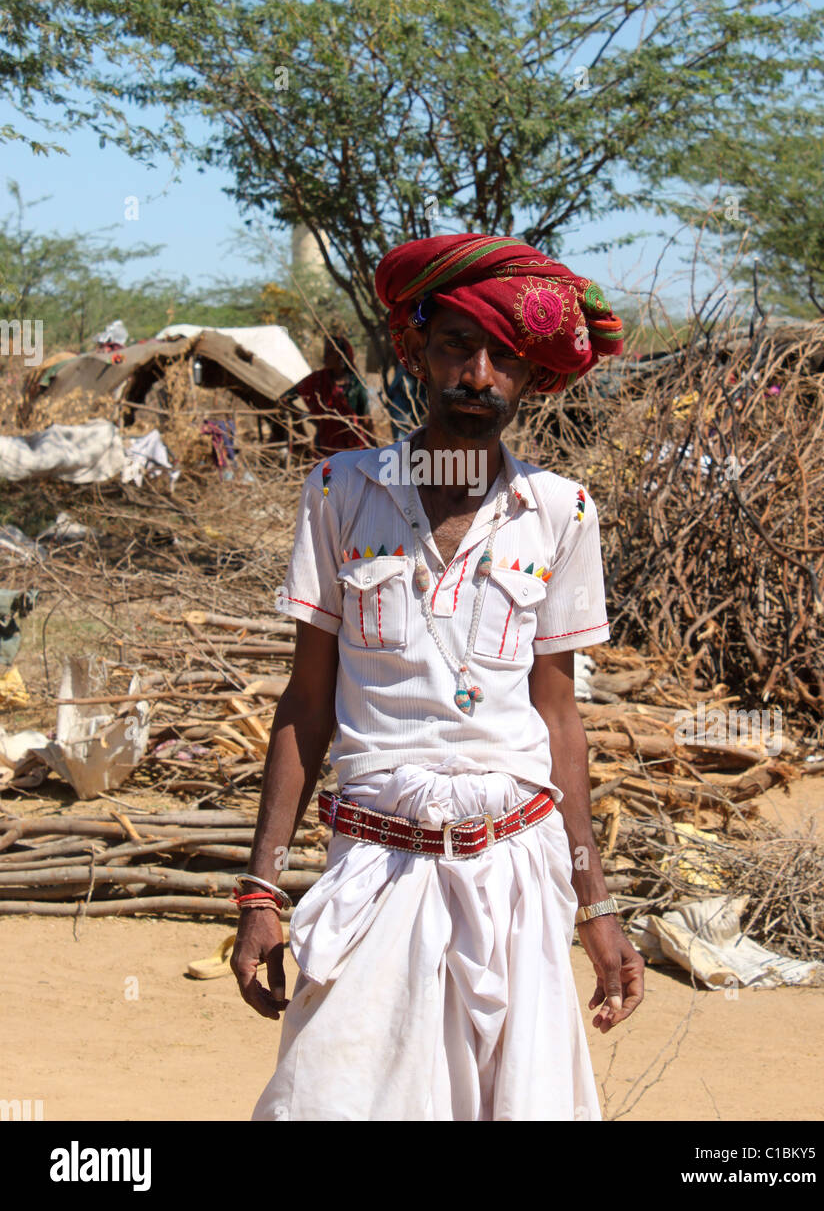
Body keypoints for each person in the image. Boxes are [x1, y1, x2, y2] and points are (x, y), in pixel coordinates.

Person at [232, 233, 644, 1121]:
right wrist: (261, 889)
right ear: (415, 353)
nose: (478, 376)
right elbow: (306, 705)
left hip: (518, 874)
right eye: (458, 346)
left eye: (505, 357)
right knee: (326, 1101)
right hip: (376, 867)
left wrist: (595, 906)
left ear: (533, 376)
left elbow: (558, 716)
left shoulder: (561, 513)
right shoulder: (340, 491)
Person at [286, 334, 373, 456]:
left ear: (341, 355)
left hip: (354, 446)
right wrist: (305, 416)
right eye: (325, 351)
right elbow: (284, 399)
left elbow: (366, 419)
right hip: (324, 447)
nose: (324, 356)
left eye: (329, 352)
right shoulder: (317, 380)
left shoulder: (356, 383)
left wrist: (374, 446)